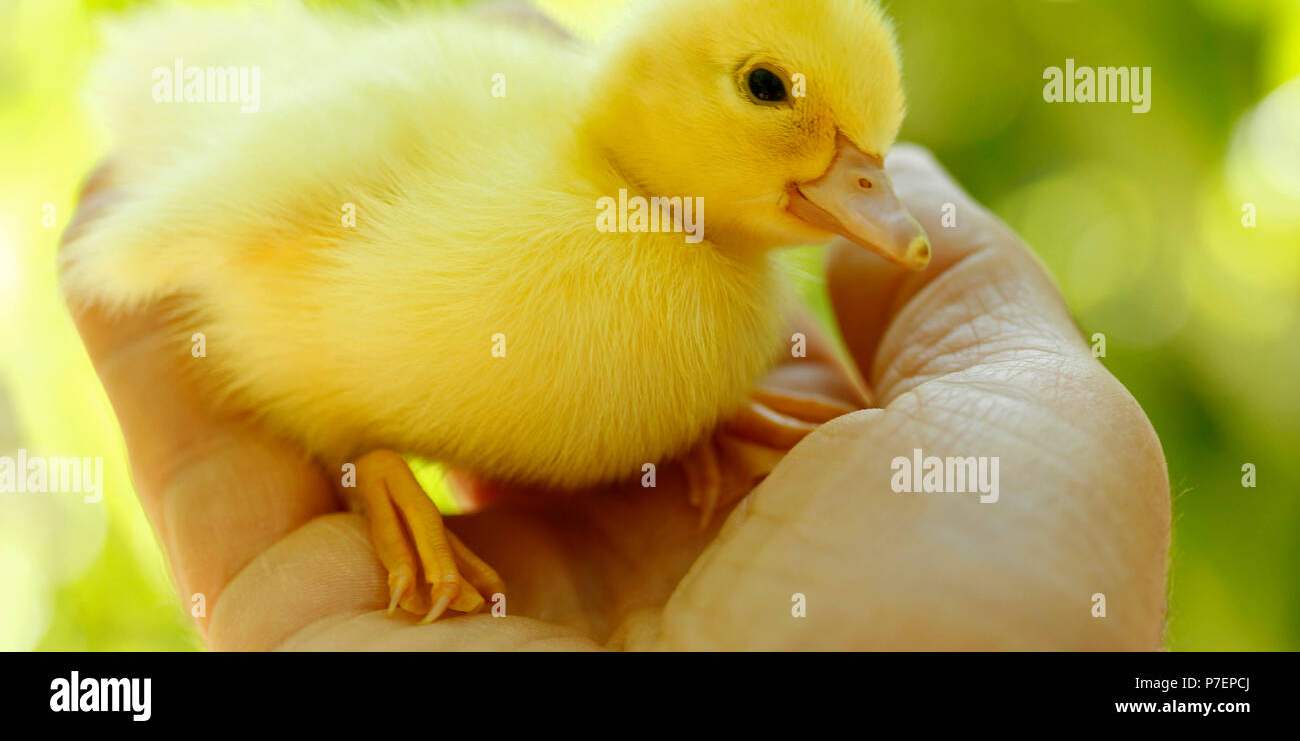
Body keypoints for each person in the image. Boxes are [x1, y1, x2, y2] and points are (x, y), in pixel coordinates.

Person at [63, 141, 1170, 650]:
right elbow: (262, 202)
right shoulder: (524, 191)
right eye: (779, 100)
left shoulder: (728, 293)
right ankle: (373, 455)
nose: (859, 178)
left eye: (862, 143)